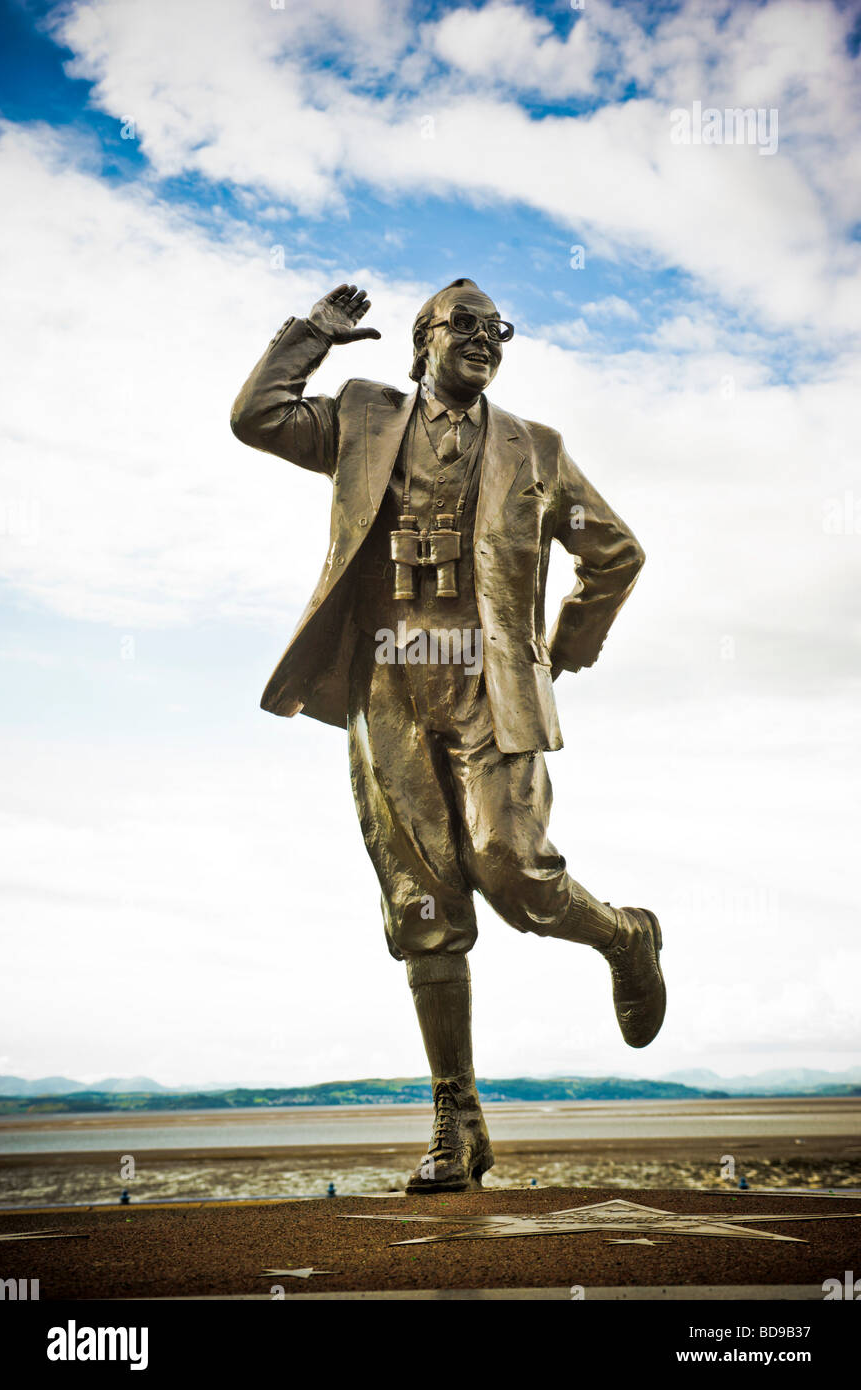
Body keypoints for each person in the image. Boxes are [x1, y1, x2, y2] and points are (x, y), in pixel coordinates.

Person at [231, 279, 666, 1193]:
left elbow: (616, 552)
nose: (483, 339)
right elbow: (256, 417)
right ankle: (455, 1119)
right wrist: (312, 335)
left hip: (488, 688)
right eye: (461, 325)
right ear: (421, 341)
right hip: (386, 686)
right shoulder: (360, 418)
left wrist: (561, 650)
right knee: (421, 908)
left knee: (511, 868)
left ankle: (625, 937)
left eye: (496, 329)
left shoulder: (536, 451)